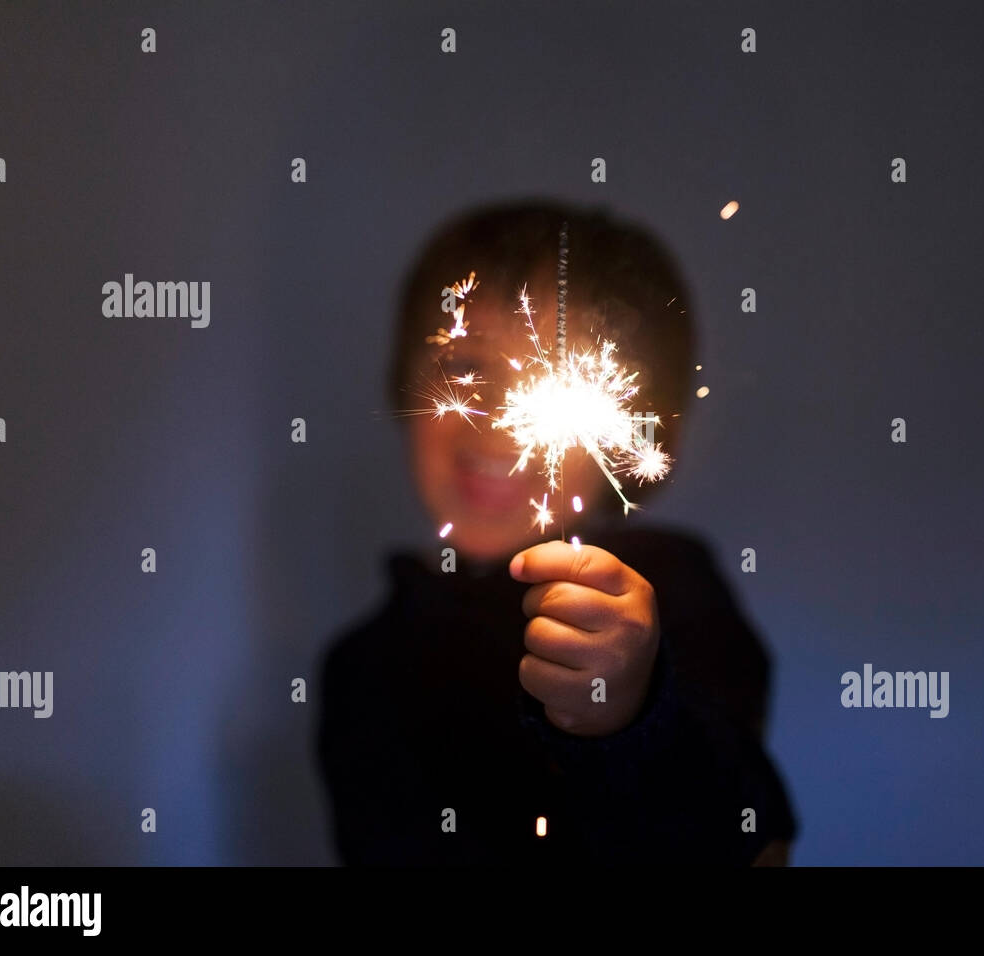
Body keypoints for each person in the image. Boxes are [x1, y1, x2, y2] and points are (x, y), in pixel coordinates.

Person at [316, 199, 798, 864]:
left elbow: (754, 843)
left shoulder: (674, 598)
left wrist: (630, 714)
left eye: (545, 371)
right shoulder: (359, 667)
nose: (496, 422)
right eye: (466, 368)